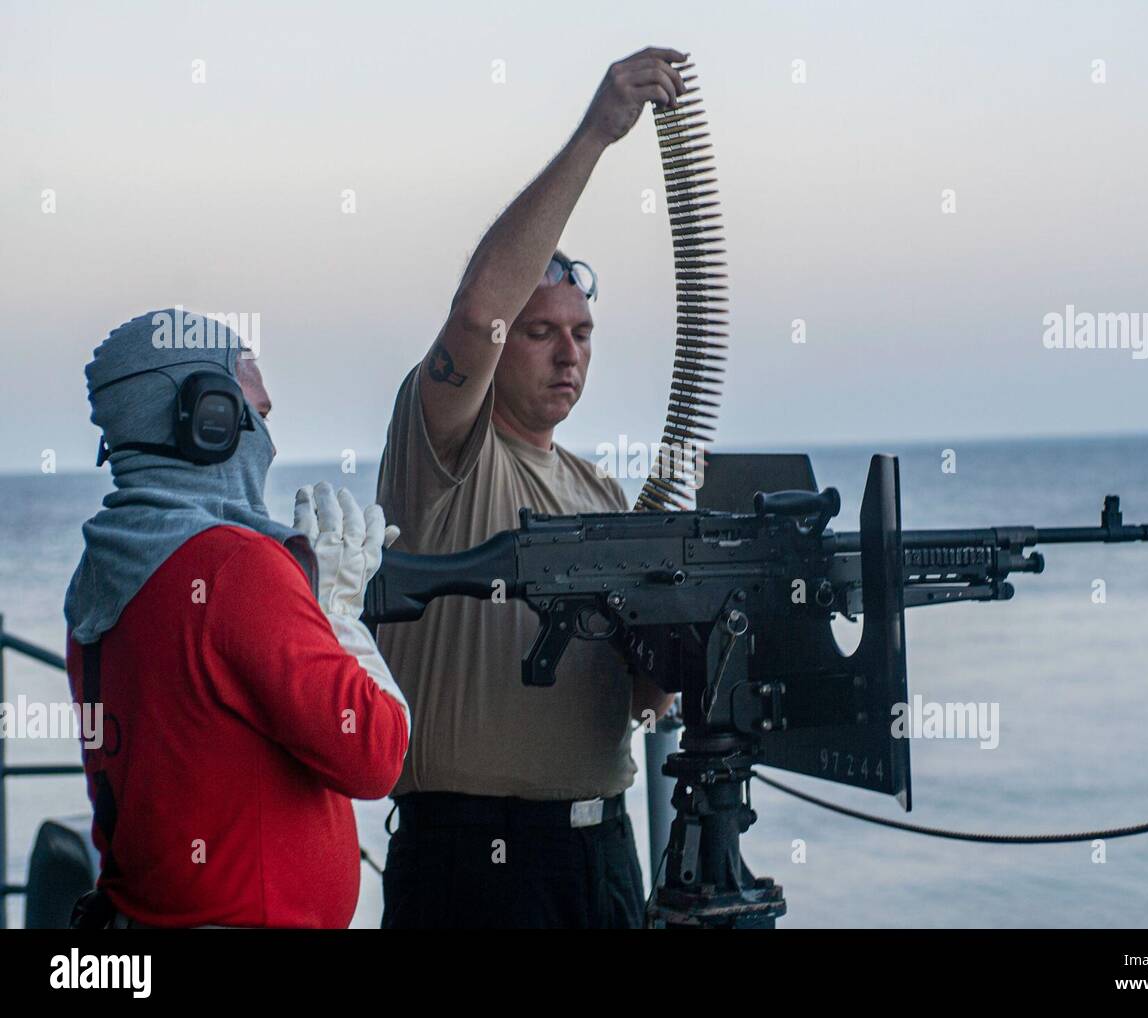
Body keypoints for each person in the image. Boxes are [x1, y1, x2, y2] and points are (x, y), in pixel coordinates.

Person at [376, 46, 689, 929]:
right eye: (542, 331)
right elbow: (477, 312)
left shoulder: (599, 490)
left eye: (583, 333)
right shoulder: (444, 450)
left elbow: (636, 699)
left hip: (600, 853)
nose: (569, 352)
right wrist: (596, 135)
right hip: (473, 862)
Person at [64, 309, 409, 928]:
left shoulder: (100, 571)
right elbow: (378, 755)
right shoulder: (237, 568)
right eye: (258, 413)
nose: (269, 440)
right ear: (208, 422)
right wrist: (337, 614)